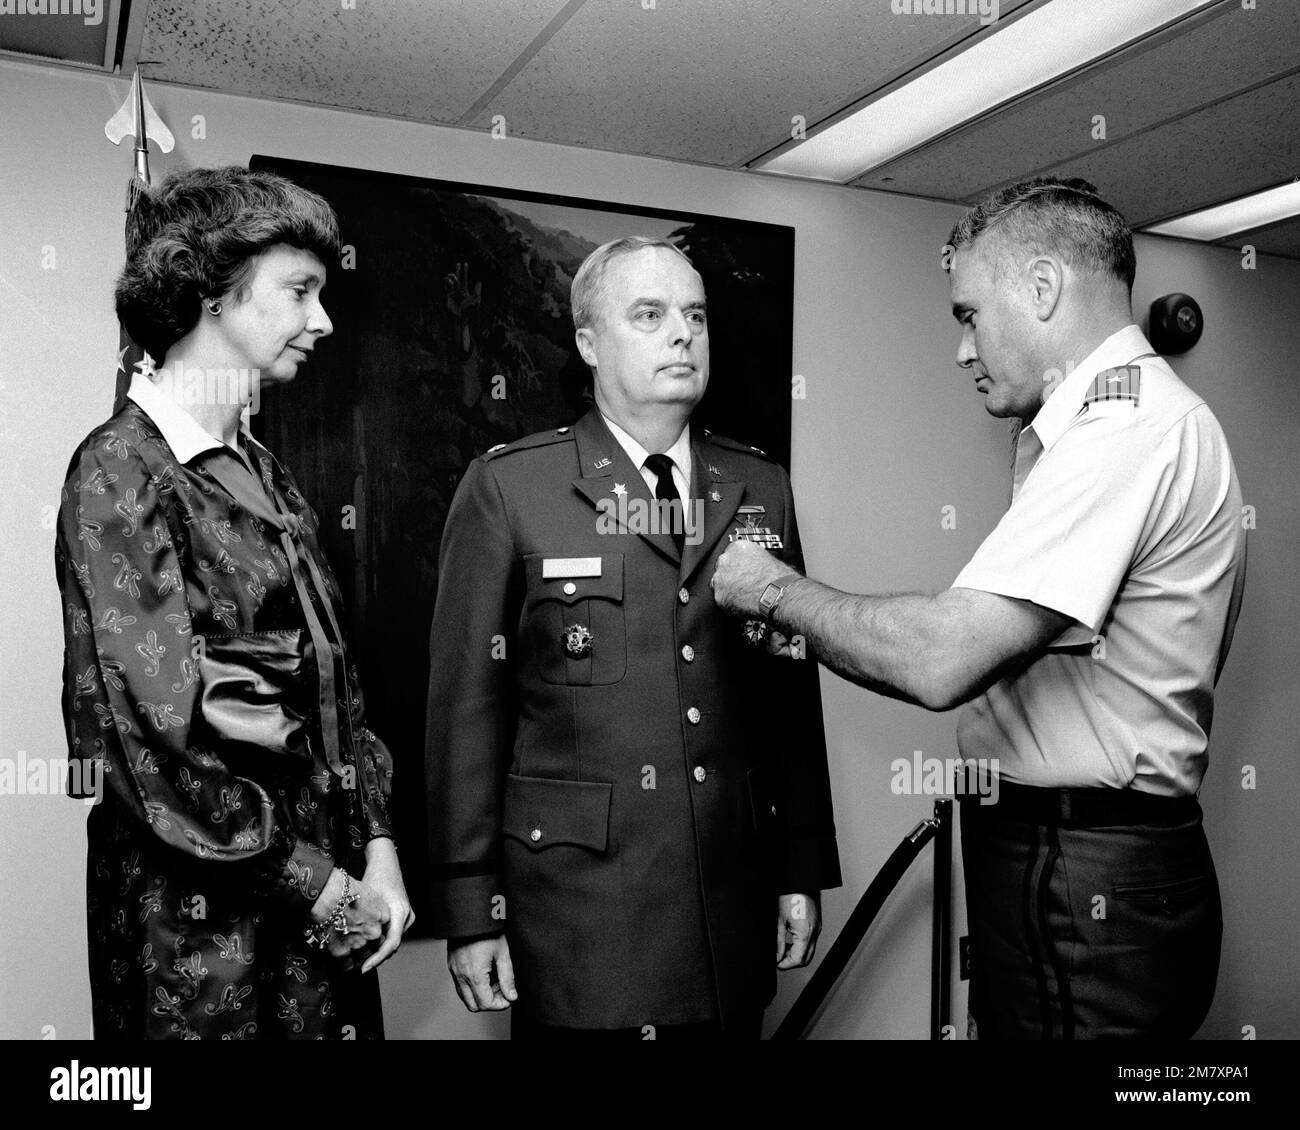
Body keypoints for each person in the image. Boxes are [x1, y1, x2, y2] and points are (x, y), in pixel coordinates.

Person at [712, 177, 1246, 1039]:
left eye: (968, 314)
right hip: (1056, 854)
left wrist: (770, 589)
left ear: (1041, 289)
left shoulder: (1129, 433)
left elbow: (941, 660)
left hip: (1089, 866)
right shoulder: (1082, 434)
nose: (962, 350)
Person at [425, 236, 841, 1038]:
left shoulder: (759, 485)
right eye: (649, 315)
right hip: (581, 922)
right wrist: (471, 907)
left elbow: (786, 693)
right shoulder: (514, 487)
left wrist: (800, 867)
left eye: (694, 314)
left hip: (727, 912)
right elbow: (466, 717)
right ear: (588, 342)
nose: (682, 333)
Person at [55, 166, 413, 1039]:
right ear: (208, 290)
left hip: (324, 909)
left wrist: (378, 848)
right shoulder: (118, 471)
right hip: (202, 937)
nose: (321, 320)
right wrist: (323, 889)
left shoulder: (264, 473)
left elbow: (337, 690)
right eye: (299, 291)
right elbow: (152, 748)